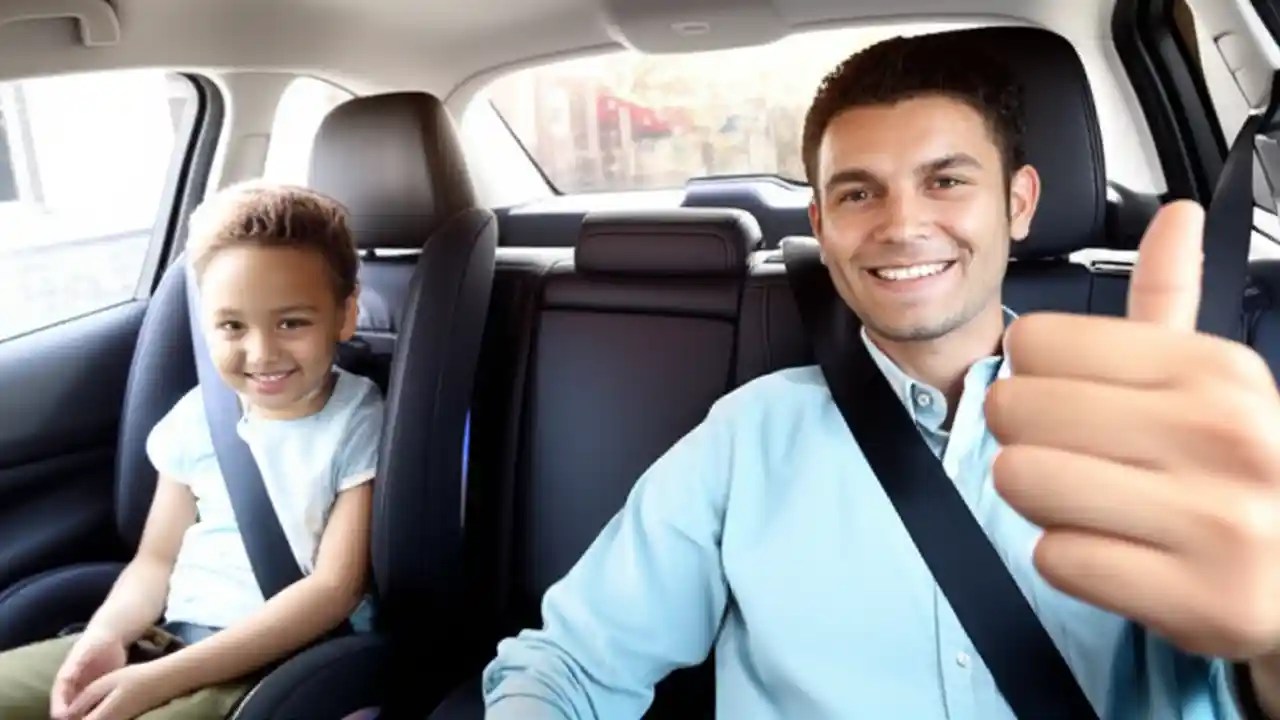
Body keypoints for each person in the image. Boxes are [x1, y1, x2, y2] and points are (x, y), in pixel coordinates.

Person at [480, 32, 1280, 720]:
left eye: (946, 181)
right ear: (821, 225)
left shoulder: (1151, 426)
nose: (901, 226)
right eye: (859, 193)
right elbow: (568, 669)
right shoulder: (746, 440)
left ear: (1019, 201)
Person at [0, 182, 384, 720]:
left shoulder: (359, 419)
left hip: (266, 662)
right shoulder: (200, 415)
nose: (261, 352)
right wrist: (105, 635)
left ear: (345, 315)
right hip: (162, 641)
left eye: (292, 322)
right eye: (232, 326)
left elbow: (333, 590)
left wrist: (159, 680)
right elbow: (156, 560)